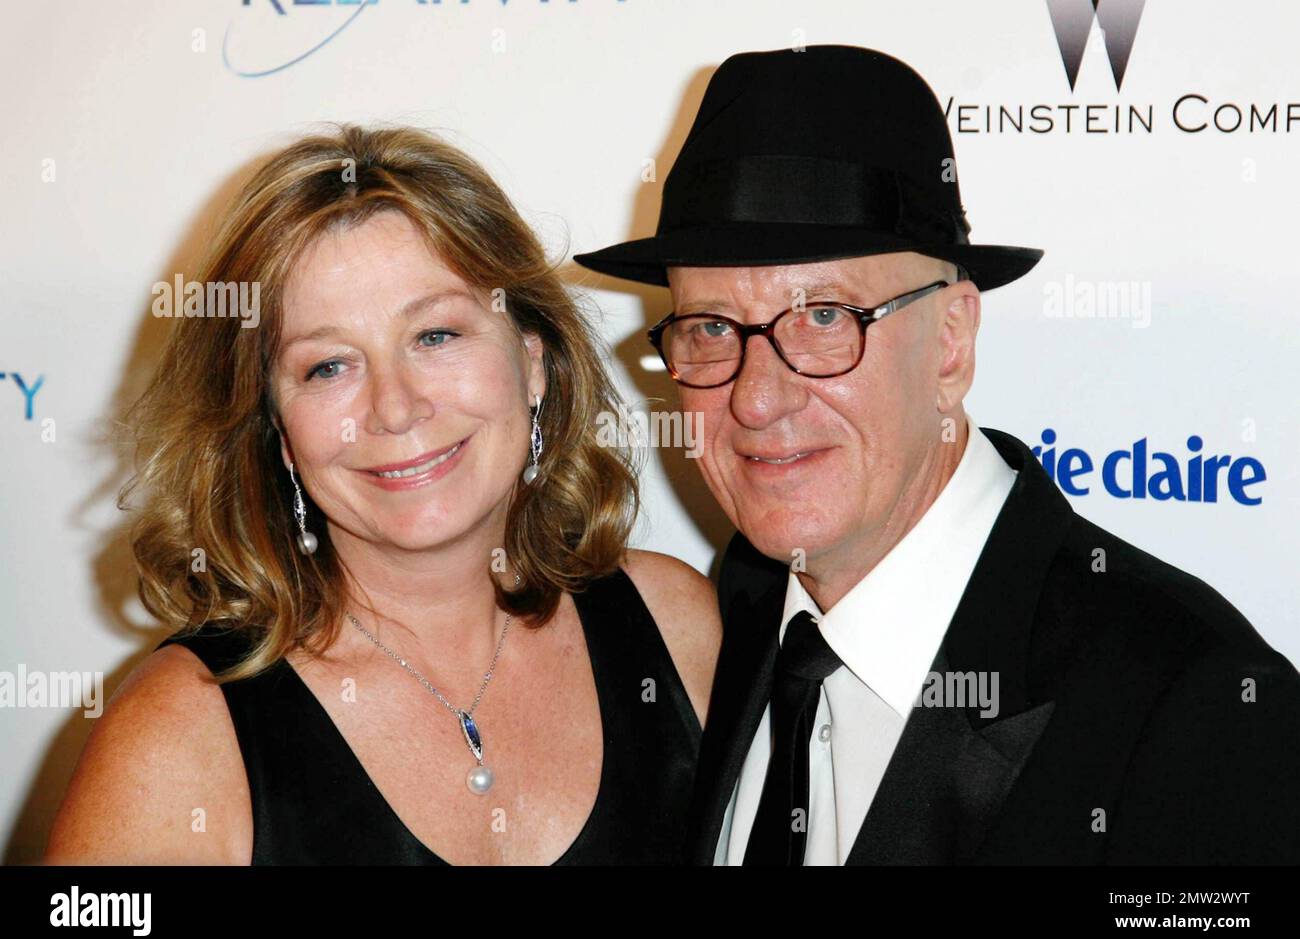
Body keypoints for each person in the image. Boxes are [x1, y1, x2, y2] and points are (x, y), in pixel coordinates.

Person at [573, 45, 1300, 865]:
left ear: (950, 345)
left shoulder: (1193, 706)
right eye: (710, 328)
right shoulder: (732, 616)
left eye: (823, 319)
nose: (757, 398)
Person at [46, 124, 721, 865]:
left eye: (435, 335)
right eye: (328, 367)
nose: (395, 409)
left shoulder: (679, 627)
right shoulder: (179, 734)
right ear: (274, 424)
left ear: (532, 363)